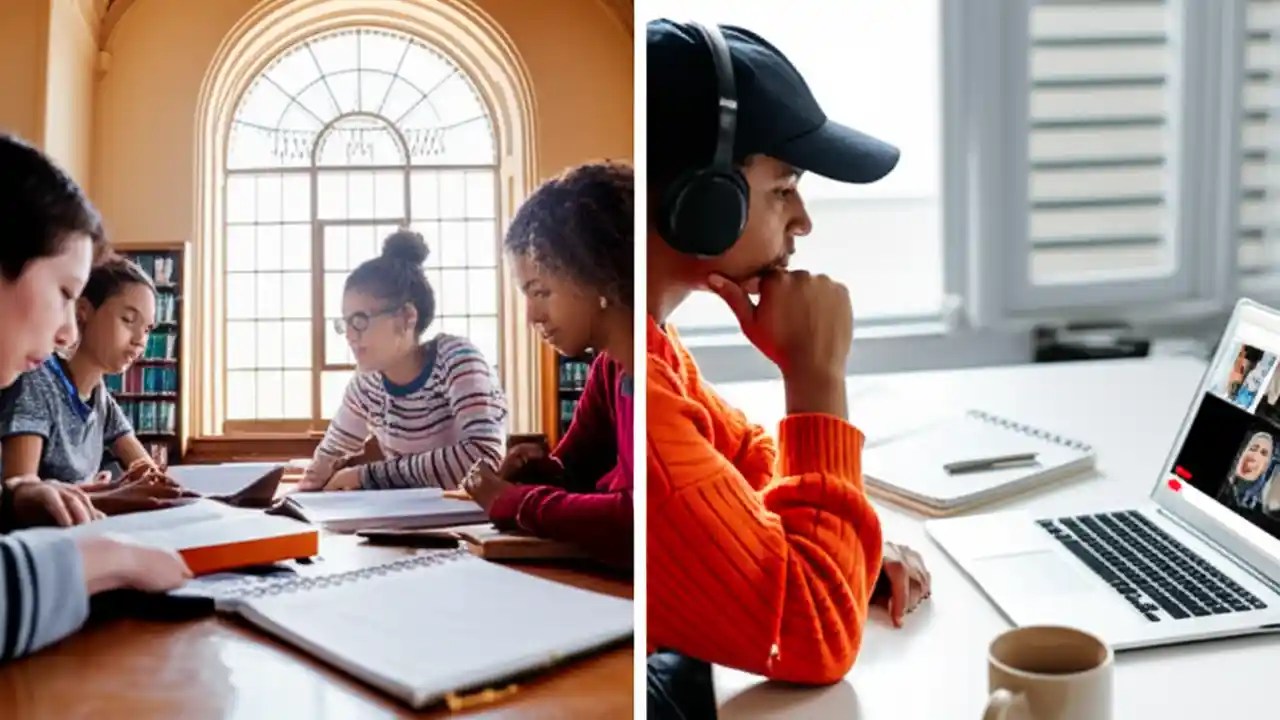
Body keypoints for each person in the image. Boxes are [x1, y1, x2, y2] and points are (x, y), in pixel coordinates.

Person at [645, 19, 932, 713]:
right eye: (783, 189)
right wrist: (816, 378)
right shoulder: (642, 400)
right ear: (704, 201)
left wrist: (841, 548)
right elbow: (815, 637)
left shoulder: (651, 350)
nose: (802, 220)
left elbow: (744, 461)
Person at [0, 133, 191, 662]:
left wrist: (15, 498)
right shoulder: (36, 382)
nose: (66, 334)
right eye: (63, 294)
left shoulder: (99, 395)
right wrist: (102, 562)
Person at [460, 161, 634, 569]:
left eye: (540, 292)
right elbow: (578, 470)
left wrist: (514, 501)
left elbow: (636, 520)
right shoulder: (609, 368)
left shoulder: (652, 372)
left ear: (598, 277)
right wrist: (541, 473)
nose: (531, 316)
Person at [300, 230, 509, 491]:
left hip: (469, 521)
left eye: (360, 320)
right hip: (405, 522)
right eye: (346, 322)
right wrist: (295, 499)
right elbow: (325, 461)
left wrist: (363, 477)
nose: (350, 335)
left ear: (407, 317)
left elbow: (482, 459)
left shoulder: (457, 360)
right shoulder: (366, 385)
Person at [0, 256, 195, 515]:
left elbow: (149, 477)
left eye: (147, 329)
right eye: (128, 320)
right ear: (83, 311)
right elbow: (20, 497)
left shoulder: (100, 397)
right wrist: (111, 495)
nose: (140, 340)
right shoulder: (37, 379)